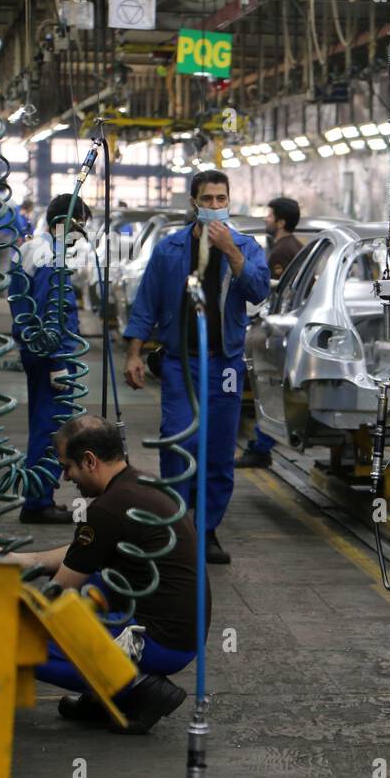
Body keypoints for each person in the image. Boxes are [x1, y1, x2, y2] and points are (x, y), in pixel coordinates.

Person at [3, 415, 209, 733]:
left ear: (89, 461)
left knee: (22, 641)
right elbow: (85, 552)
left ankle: (137, 688)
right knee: (93, 584)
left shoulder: (107, 508)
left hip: (160, 641)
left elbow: (57, 593)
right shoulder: (138, 485)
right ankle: (105, 689)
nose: (64, 477)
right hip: (183, 630)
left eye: (67, 466)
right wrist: (24, 560)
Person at [122, 170, 268, 565]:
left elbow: (258, 290)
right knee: (178, 440)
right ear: (194, 203)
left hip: (225, 362)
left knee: (219, 450)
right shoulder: (170, 250)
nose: (216, 206)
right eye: (208, 199)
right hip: (180, 363)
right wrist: (134, 353)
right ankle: (175, 526)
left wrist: (233, 255)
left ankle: (206, 531)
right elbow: (146, 304)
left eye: (222, 199)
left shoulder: (245, 246)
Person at [9, 194, 92, 523]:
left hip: (36, 350)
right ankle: (38, 502)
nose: (81, 235)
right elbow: (49, 311)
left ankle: (37, 496)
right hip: (51, 355)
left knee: (43, 423)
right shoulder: (49, 256)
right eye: (80, 227)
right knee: (51, 427)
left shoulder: (35, 248)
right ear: (66, 223)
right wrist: (58, 360)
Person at [236, 197, 304, 469]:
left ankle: (261, 445)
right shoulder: (292, 245)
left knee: (269, 386)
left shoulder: (281, 251)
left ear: (281, 222)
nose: (265, 220)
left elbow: (277, 293)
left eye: (269, 215)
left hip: (281, 329)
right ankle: (260, 442)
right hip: (288, 327)